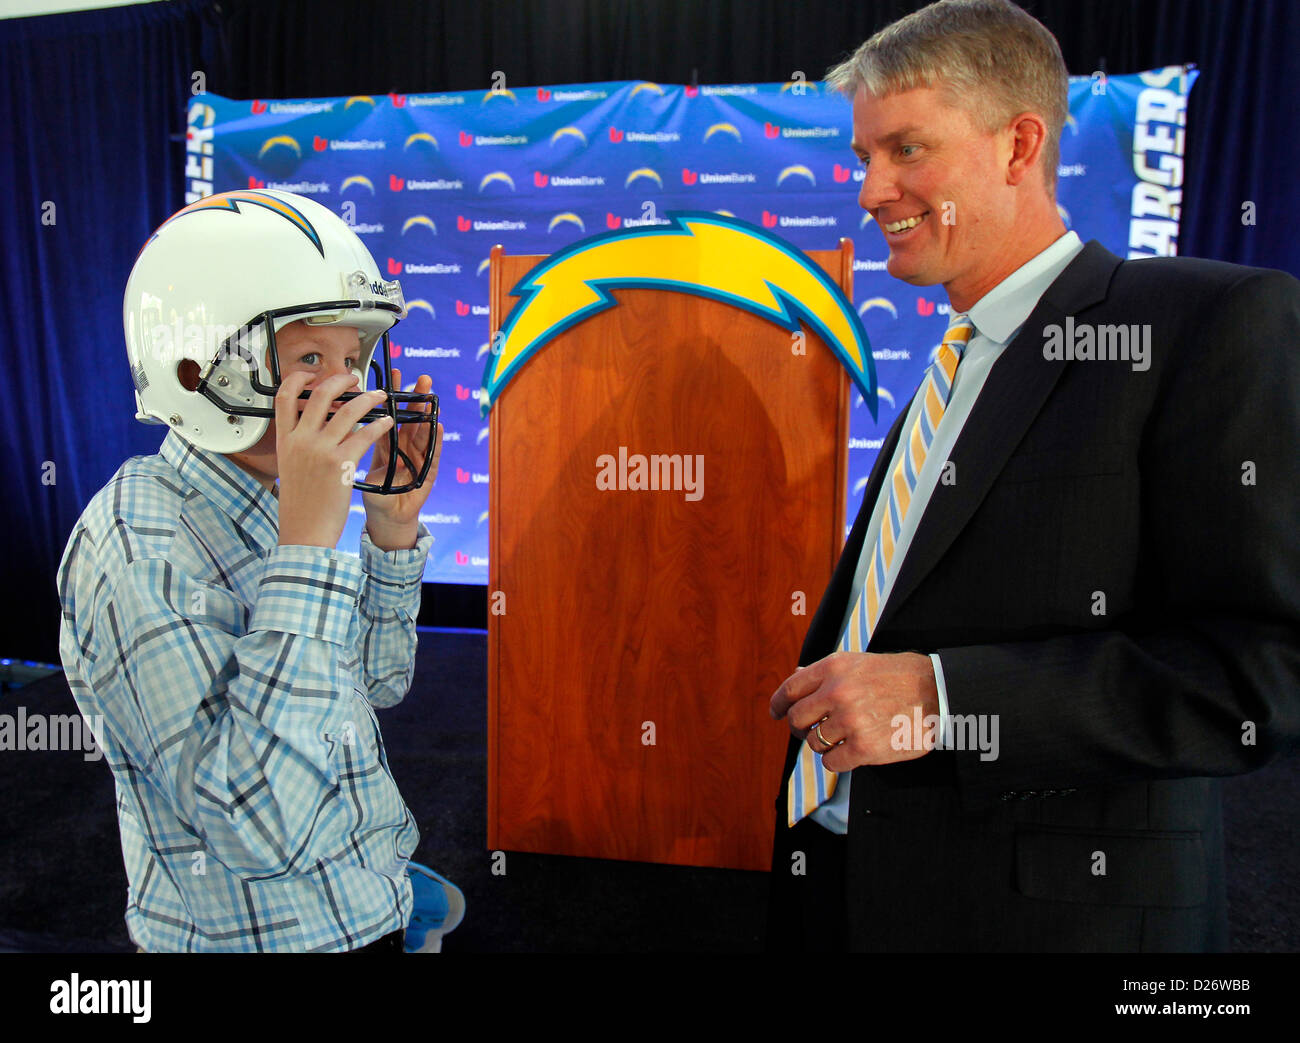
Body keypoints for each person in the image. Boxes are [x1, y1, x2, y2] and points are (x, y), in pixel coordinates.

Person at [768, 0, 1300, 951]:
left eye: (908, 151)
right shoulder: (953, 360)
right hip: (851, 885)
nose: (872, 190)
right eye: (864, 158)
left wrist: (943, 700)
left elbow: (1261, 677)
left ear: (1019, 146)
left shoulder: (1206, 323)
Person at [57, 188, 459, 952]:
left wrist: (390, 535)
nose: (350, 389)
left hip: (365, 908)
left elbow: (376, 683)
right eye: (312, 358)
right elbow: (259, 828)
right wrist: (307, 554)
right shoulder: (138, 545)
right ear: (196, 362)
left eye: (354, 359)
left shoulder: (280, 500)